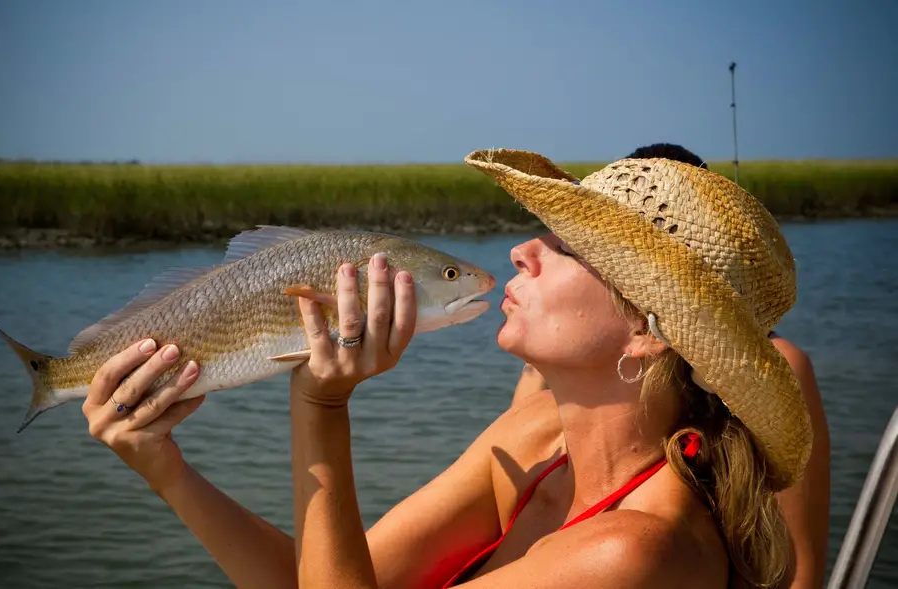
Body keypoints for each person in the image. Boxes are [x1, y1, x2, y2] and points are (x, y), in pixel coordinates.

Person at [82, 147, 816, 589]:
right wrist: (165, 468)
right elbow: (311, 579)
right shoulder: (536, 445)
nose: (524, 249)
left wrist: (321, 406)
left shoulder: (632, 551)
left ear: (648, 335)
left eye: (567, 248)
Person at [511, 143, 831, 589]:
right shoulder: (546, 383)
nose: (524, 253)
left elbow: (796, 568)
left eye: (572, 247)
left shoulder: (777, 368)